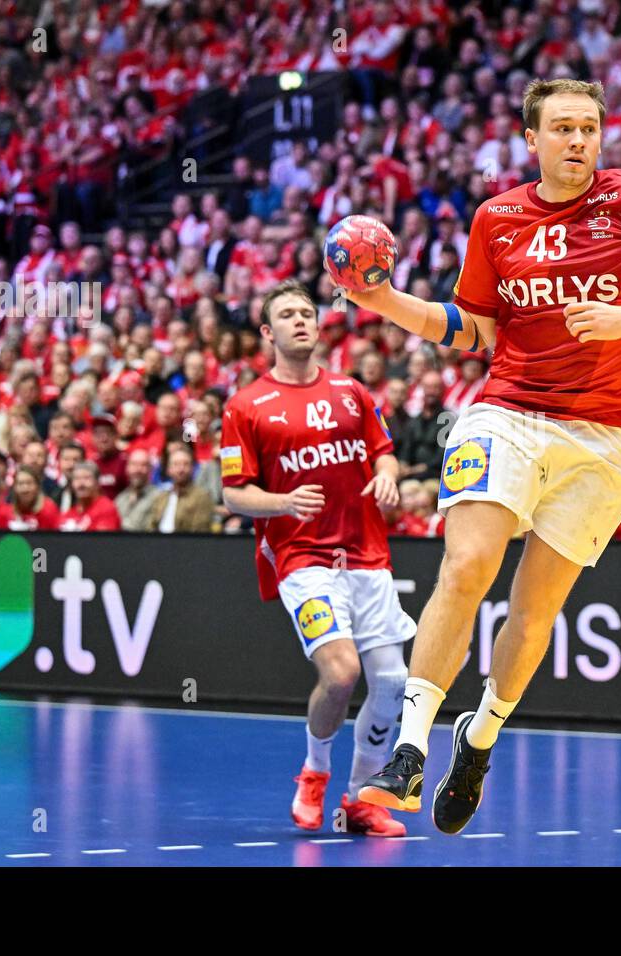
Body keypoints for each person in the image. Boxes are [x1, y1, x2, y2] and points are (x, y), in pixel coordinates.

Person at [341, 78, 621, 833]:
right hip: (510, 413)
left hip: (610, 438)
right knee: (467, 566)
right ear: (532, 139)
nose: (579, 141)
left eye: (589, 127)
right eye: (562, 129)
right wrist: (381, 301)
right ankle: (410, 748)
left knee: (534, 611)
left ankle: (480, 738)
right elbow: (473, 330)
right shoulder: (498, 218)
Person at [221, 281, 417, 838]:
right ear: (268, 333)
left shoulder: (352, 393)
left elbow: (385, 454)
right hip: (302, 558)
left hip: (368, 556)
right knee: (341, 672)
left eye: (307, 312)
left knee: (391, 680)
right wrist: (283, 502)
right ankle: (315, 771)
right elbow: (235, 493)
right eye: (286, 315)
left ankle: (362, 798)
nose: (300, 321)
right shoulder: (244, 406)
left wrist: (384, 477)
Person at [148, 445, 215, 532]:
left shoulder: (202, 497)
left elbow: (199, 533)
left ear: (192, 468)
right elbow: (151, 527)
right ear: (168, 469)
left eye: (186, 464)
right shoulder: (161, 497)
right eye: (176, 464)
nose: (181, 469)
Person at [58, 461, 123, 531]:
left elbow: (103, 540)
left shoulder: (106, 508)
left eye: (87, 478)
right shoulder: (69, 514)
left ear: (97, 483)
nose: (81, 483)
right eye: (77, 478)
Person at [7, 465, 61, 530]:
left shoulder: (48, 509)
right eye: (20, 484)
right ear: (14, 488)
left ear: (37, 486)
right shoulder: (7, 511)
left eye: (29, 483)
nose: (25, 489)